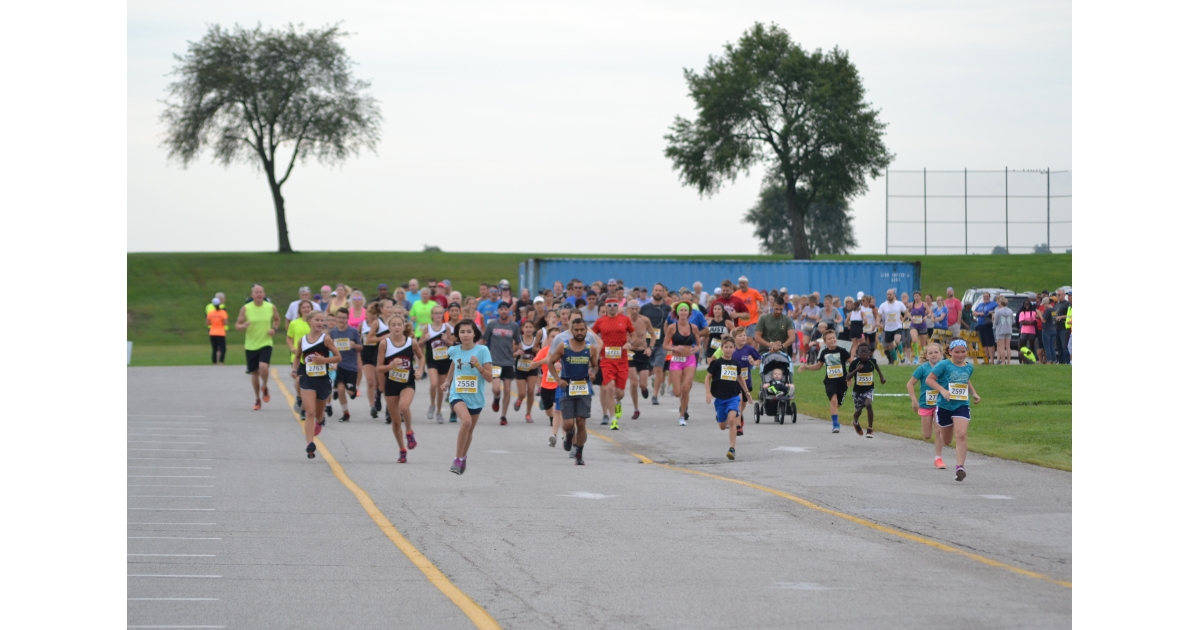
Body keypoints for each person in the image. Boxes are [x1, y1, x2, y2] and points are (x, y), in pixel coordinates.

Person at [443, 320, 494, 475]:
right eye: (462, 332)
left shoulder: (483, 350)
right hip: (457, 394)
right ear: (458, 335)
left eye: (468, 332)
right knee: (466, 421)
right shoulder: (453, 350)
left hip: (476, 397)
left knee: (469, 430)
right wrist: (447, 381)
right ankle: (457, 459)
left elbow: (490, 378)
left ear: (474, 334)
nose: (465, 335)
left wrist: (478, 365)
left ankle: (463, 457)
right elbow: (453, 363)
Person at [925, 338, 980, 481]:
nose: (960, 355)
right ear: (950, 352)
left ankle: (960, 467)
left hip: (961, 405)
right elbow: (929, 379)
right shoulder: (944, 365)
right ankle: (942, 441)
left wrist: (974, 393)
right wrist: (942, 390)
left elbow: (966, 380)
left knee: (961, 434)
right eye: (957, 352)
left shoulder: (969, 367)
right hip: (945, 406)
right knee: (947, 440)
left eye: (963, 352)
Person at [547, 319, 599, 465]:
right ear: (572, 330)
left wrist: (593, 373)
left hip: (584, 387)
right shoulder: (564, 346)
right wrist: (558, 380)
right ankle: (569, 435)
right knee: (569, 423)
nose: (580, 332)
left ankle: (579, 454)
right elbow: (550, 362)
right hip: (567, 387)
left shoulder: (591, 348)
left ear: (586, 330)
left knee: (581, 422)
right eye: (576, 330)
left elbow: (595, 366)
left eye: (582, 330)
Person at [290, 310, 341, 459]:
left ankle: (320, 420)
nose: (320, 323)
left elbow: (338, 357)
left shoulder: (326, 339)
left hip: (323, 380)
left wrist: (324, 360)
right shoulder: (302, 340)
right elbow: (298, 356)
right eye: (317, 320)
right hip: (308, 379)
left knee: (318, 414)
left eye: (321, 320)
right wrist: (294, 369)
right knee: (309, 412)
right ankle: (310, 444)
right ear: (309, 321)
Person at [377, 315, 424, 463]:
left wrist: (419, 370)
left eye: (399, 324)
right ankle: (402, 450)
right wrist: (390, 366)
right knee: (396, 421)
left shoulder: (411, 342)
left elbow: (421, 357)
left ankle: (409, 431)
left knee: (404, 407)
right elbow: (379, 368)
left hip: (407, 382)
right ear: (389, 327)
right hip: (391, 383)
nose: (397, 327)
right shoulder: (384, 343)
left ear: (404, 326)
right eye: (394, 325)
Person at [591, 297, 635, 430]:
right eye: (609, 305)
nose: (612, 307)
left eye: (614, 305)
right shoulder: (600, 321)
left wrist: (630, 343)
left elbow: (633, 335)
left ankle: (617, 402)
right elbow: (592, 336)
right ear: (605, 307)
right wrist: (596, 348)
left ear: (618, 306)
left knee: (619, 392)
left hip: (622, 359)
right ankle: (613, 419)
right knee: (609, 387)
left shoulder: (625, 319)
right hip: (606, 359)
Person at [705, 336, 751, 461]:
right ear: (722, 348)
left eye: (731, 347)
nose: (729, 349)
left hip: (733, 397)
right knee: (722, 426)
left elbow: (740, 378)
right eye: (726, 347)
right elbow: (707, 377)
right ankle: (720, 417)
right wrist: (708, 392)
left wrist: (746, 392)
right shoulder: (716, 363)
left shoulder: (736, 364)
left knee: (732, 420)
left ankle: (732, 449)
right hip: (720, 398)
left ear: (734, 349)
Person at [235, 285, 279, 410]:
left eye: (261, 292)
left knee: (263, 367)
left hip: (266, 342)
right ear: (252, 295)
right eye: (256, 292)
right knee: (254, 372)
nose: (259, 294)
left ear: (264, 294)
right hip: (251, 345)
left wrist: (274, 329)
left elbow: (277, 319)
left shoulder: (270, 307)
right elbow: (237, 325)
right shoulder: (246, 308)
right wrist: (243, 326)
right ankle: (257, 399)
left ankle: (264, 386)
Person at [802, 328, 851, 433]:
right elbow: (818, 366)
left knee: (837, 404)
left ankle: (834, 413)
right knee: (833, 401)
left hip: (842, 381)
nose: (832, 340)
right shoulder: (824, 352)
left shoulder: (842, 351)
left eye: (833, 338)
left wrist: (850, 377)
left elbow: (853, 363)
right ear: (825, 342)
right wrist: (806, 367)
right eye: (829, 339)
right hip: (830, 381)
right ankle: (835, 424)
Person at [907, 343, 947, 468]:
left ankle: (938, 458)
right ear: (926, 356)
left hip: (941, 404)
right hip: (925, 404)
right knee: (927, 435)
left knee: (938, 430)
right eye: (930, 353)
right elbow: (910, 384)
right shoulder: (923, 369)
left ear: (941, 354)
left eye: (936, 352)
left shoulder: (946, 367)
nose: (934, 355)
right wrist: (914, 400)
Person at [483, 301, 521, 425]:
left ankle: (503, 416)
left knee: (508, 389)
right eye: (501, 309)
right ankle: (496, 398)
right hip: (495, 361)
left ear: (509, 311)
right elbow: (484, 340)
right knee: (496, 388)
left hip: (508, 361)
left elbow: (518, 342)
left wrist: (519, 351)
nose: (504, 311)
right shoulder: (492, 325)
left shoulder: (514, 326)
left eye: (506, 309)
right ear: (498, 311)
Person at [664, 302, 701, 426]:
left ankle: (682, 416)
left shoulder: (694, 327)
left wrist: (696, 348)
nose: (683, 312)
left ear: (689, 313)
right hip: (676, 360)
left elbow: (699, 345)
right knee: (677, 392)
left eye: (686, 310)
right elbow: (665, 345)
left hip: (690, 359)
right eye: (681, 310)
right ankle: (673, 386)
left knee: (686, 388)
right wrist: (674, 348)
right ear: (677, 312)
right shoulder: (672, 327)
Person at [640, 284, 674, 405]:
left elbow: (672, 325)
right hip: (646, 343)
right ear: (652, 292)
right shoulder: (644, 308)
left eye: (660, 290)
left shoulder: (668, 309)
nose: (658, 292)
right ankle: (643, 386)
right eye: (656, 290)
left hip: (661, 343)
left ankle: (655, 395)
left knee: (659, 368)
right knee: (646, 370)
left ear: (664, 293)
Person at [529, 326, 562, 446]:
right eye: (552, 336)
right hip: (546, 386)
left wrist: (561, 366)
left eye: (557, 337)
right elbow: (531, 366)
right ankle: (553, 419)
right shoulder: (544, 351)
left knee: (559, 409)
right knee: (549, 411)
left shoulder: (565, 351)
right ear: (548, 339)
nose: (555, 339)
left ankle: (560, 434)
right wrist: (545, 361)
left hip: (560, 385)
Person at [328, 308, 362, 422]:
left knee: (350, 392)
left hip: (351, 366)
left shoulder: (353, 332)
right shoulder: (332, 332)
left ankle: (352, 390)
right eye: (339, 317)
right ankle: (345, 413)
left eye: (344, 318)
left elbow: (361, 347)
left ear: (347, 318)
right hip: (338, 365)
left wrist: (355, 345)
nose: (341, 320)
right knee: (341, 390)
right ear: (336, 318)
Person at [846, 343, 886, 437]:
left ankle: (870, 429)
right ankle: (855, 422)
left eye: (865, 352)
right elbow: (847, 377)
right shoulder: (855, 363)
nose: (863, 354)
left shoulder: (872, 361)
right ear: (857, 353)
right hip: (857, 391)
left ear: (869, 353)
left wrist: (881, 376)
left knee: (868, 404)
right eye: (861, 352)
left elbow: (877, 368)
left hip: (869, 389)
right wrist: (857, 370)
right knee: (858, 411)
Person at [363, 300, 394, 420]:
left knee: (391, 383)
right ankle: (378, 394)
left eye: (391, 307)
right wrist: (383, 338)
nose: (390, 309)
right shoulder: (377, 323)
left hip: (393, 354)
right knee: (382, 385)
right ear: (381, 309)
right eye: (387, 307)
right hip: (380, 355)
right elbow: (369, 339)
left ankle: (389, 411)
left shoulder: (395, 321)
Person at [423, 304, 453, 423]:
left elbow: (452, 344)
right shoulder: (427, 328)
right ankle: (432, 404)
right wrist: (424, 339)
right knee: (434, 383)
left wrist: (447, 340)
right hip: (432, 360)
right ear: (431, 315)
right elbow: (418, 344)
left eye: (440, 313)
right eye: (436, 313)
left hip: (444, 360)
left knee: (441, 388)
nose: (438, 315)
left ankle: (439, 411)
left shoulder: (446, 327)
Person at [286, 299, 315, 416]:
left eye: (308, 307)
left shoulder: (314, 323)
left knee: (309, 385)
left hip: (311, 358)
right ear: (300, 310)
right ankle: (299, 398)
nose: (306, 309)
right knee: (298, 381)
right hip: (297, 357)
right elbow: (289, 337)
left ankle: (305, 409)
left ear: (311, 309)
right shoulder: (294, 323)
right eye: (304, 307)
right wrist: (291, 347)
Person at [728, 327, 761, 431]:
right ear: (734, 338)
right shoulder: (731, 349)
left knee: (743, 403)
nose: (743, 337)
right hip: (733, 380)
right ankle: (737, 425)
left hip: (746, 381)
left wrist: (753, 363)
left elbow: (759, 360)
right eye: (740, 336)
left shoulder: (749, 349)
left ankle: (739, 415)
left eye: (744, 335)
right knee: (739, 400)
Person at [625, 303, 654, 420]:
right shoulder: (624, 320)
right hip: (630, 353)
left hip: (643, 353)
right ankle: (636, 409)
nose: (634, 311)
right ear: (628, 309)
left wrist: (650, 348)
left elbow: (653, 335)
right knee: (633, 383)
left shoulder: (645, 320)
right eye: (632, 308)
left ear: (639, 309)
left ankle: (644, 388)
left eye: (636, 308)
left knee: (642, 384)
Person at [512, 319, 541, 423]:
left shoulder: (536, 340)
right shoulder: (518, 339)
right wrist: (516, 353)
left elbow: (540, 352)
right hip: (520, 369)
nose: (528, 329)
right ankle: (520, 399)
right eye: (526, 327)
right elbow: (511, 354)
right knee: (522, 393)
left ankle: (528, 414)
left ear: (534, 329)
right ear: (522, 328)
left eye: (530, 327)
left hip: (532, 368)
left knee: (531, 391)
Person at [878, 289, 907, 364]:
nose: (889, 296)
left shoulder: (899, 304)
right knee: (890, 346)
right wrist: (878, 322)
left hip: (897, 326)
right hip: (887, 328)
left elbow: (905, 313)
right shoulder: (883, 305)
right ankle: (895, 359)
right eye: (888, 294)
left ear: (894, 295)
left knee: (897, 340)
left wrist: (903, 320)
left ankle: (901, 354)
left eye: (890, 294)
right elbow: (879, 315)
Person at [973, 292, 998, 364]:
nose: (986, 297)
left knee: (990, 343)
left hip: (988, 324)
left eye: (987, 296)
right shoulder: (980, 305)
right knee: (984, 343)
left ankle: (992, 360)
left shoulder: (993, 304)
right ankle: (986, 360)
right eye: (984, 296)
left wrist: (993, 312)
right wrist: (979, 313)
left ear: (989, 297)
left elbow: (999, 309)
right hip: (980, 324)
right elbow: (974, 312)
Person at [993, 296, 1015, 365]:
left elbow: (996, 322)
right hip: (1008, 330)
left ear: (1001, 303)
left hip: (1000, 330)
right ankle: (1008, 362)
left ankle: (1003, 361)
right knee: (1008, 346)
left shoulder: (998, 311)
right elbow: (1013, 321)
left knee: (1002, 347)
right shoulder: (1010, 311)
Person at [1017, 300, 1039, 364]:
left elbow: (1035, 321)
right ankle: (1023, 359)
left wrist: (1026, 322)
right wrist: (1030, 322)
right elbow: (1022, 322)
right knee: (1023, 347)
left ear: (1030, 305)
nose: (1027, 306)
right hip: (1024, 331)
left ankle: (1030, 359)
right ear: (1023, 305)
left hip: (1032, 331)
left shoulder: (1033, 312)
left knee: (1031, 347)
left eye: (1028, 304)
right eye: (1025, 304)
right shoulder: (1022, 313)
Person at [909, 291, 928, 364]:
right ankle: (916, 356)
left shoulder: (924, 304)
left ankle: (923, 357)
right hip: (913, 325)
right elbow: (907, 312)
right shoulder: (911, 305)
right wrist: (911, 317)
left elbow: (930, 312)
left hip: (922, 325)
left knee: (923, 344)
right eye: (915, 296)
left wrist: (926, 316)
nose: (916, 297)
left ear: (920, 296)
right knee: (914, 339)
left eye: (917, 296)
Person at [207, 298, 228, 365]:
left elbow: (207, 323)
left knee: (214, 349)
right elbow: (225, 322)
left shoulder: (210, 313)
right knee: (223, 349)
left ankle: (214, 362)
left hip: (212, 332)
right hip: (220, 333)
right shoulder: (223, 312)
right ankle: (221, 362)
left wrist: (213, 323)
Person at [1054, 289, 1071, 364]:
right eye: (1057, 295)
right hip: (1056, 327)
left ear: (1064, 295)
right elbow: (1054, 313)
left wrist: (1061, 317)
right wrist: (1053, 317)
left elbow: (1069, 315)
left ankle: (1067, 361)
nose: (1058, 296)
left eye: (1059, 295)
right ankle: (1061, 361)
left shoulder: (1067, 304)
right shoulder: (1057, 304)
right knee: (1058, 345)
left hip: (1063, 327)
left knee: (1064, 345)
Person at [1040, 297, 1058, 364]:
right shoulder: (1054, 309)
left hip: (1047, 330)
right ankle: (1054, 360)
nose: (1044, 306)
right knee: (1051, 346)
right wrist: (1043, 314)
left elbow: (1044, 320)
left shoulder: (1048, 310)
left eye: (1044, 304)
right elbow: (1054, 319)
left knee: (1047, 346)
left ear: (1047, 303)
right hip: (1053, 329)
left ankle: (1049, 360)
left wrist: (1039, 314)